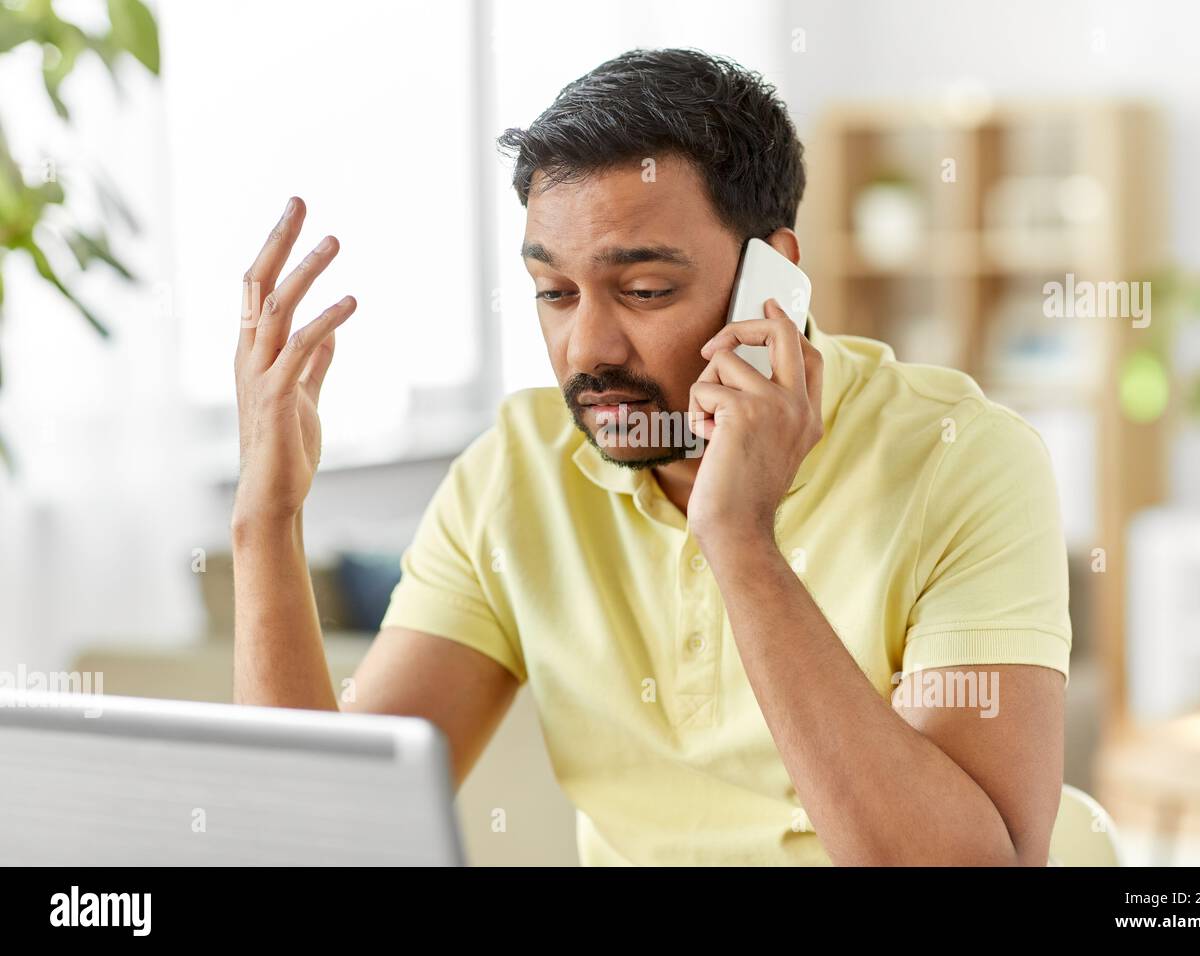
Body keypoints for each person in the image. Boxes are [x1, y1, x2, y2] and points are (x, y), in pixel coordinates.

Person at [231, 48, 1071, 866]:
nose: (585, 348)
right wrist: (266, 519)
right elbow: (324, 841)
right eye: (554, 294)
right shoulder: (514, 475)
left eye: (643, 291)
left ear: (770, 281)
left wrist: (740, 541)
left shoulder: (963, 461)